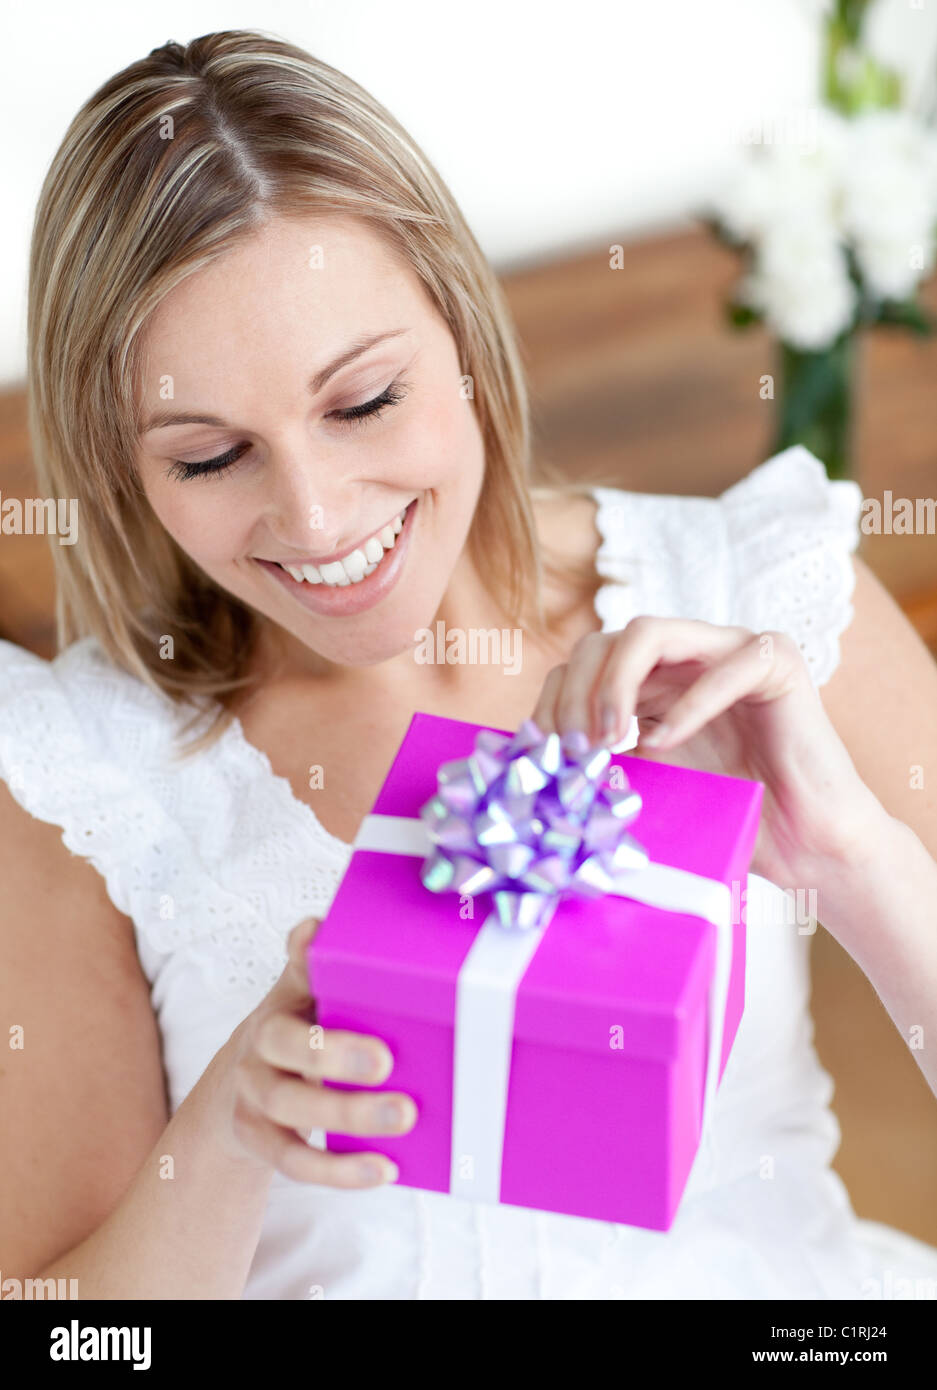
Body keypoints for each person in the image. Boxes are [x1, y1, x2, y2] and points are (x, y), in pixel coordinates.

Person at [2, 29, 937, 1301]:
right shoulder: (84, 780)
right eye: (211, 458)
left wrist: (857, 862)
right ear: (123, 471)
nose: (320, 520)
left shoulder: (754, 601)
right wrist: (223, 1137)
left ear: (457, 324)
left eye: (363, 401)